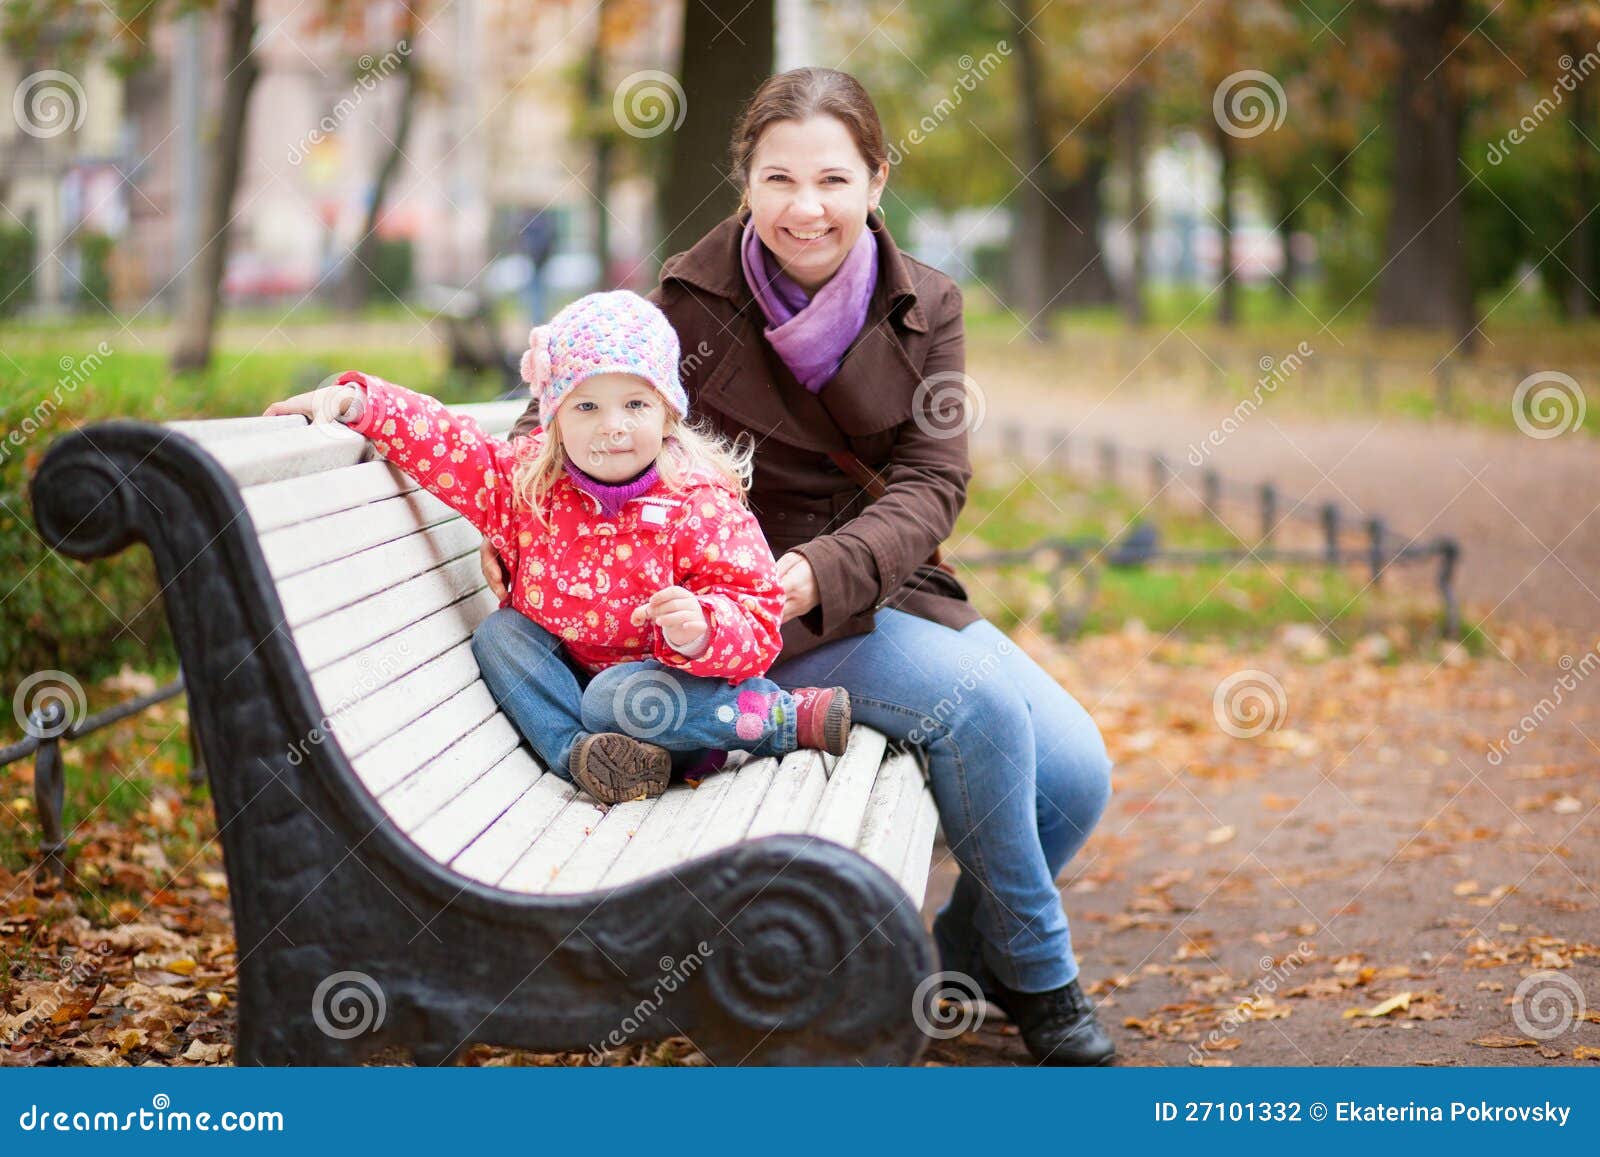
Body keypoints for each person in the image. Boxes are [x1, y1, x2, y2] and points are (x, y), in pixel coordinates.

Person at [479, 69, 1118, 1066]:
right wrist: (507, 428)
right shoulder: (691, 300)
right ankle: (1043, 981)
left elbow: (931, 478)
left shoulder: (926, 306)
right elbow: (570, 418)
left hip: (865, 582)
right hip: (728, 613)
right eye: (778, 179)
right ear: (745, 182)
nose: (804, 207)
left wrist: (825, 568)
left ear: (876, 178)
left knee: (1076, 774)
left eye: (831, 178)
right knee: (977, 712)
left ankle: (951, 968)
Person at [264, 290, 853, 806]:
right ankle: (589, 761)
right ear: (554, 416)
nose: (612, 426)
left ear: (668, 412)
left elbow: (757, 614)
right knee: (502, 636)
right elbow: (445, 442)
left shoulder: (698, 504)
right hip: (576, 697)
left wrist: (700, 627)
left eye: (636, 404)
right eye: (587, 405)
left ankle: (776, 717)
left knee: (614, 696)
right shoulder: (527, 488)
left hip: (675, 703)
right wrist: (358, 403)